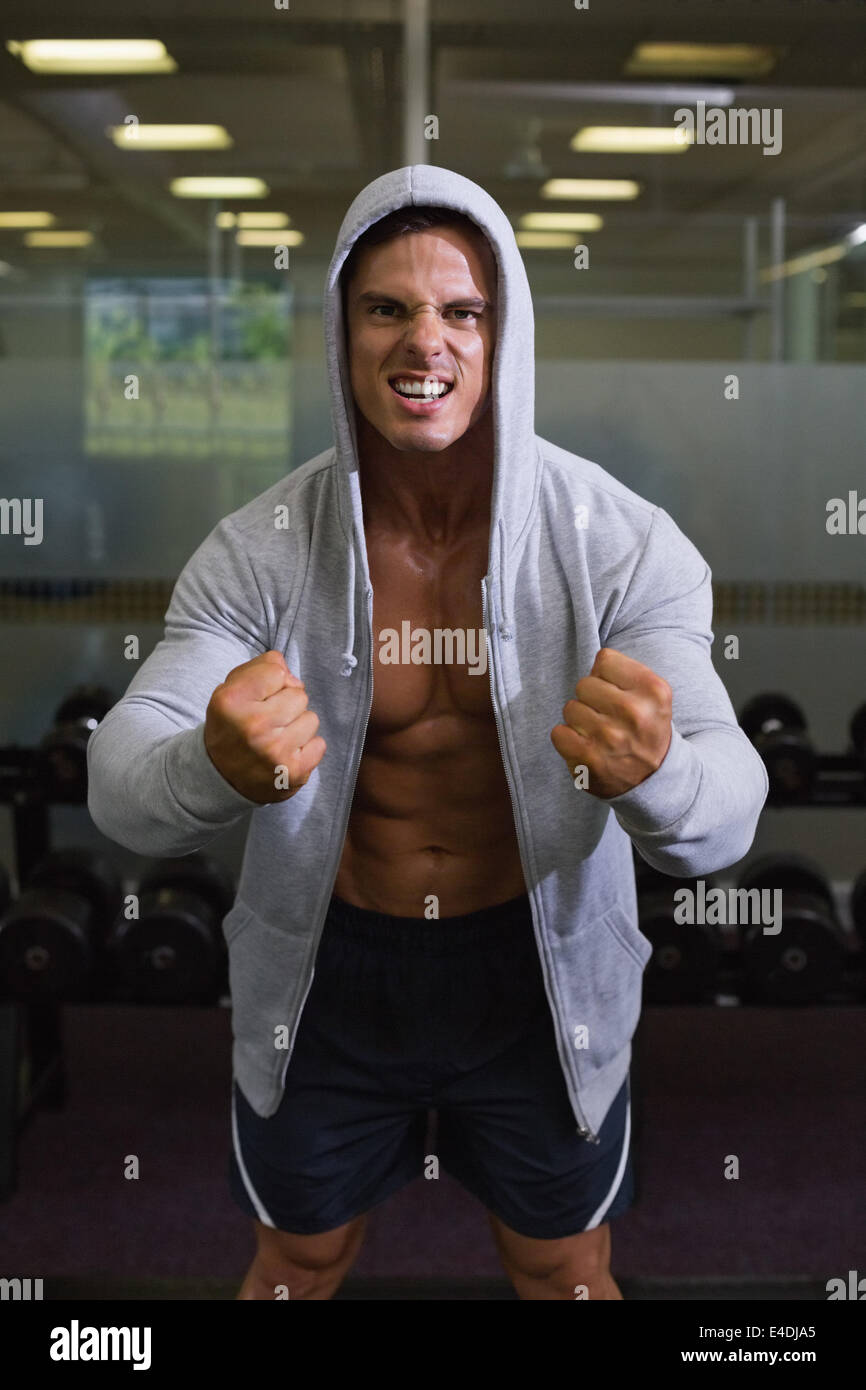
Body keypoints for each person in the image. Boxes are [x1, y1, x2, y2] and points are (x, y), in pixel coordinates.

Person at [87, 165, 768, 1300]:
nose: (425, 342)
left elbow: (723, 813)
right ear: (340, 332)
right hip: (332, 962)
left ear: (505, 335)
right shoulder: (259, 550)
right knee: (299, 1257)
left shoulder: (619, 545)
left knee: (560, 1265)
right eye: (386, 308)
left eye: (462, 310)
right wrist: (207, 763)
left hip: (537, 963)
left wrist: (658, 778)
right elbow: (119, 783)